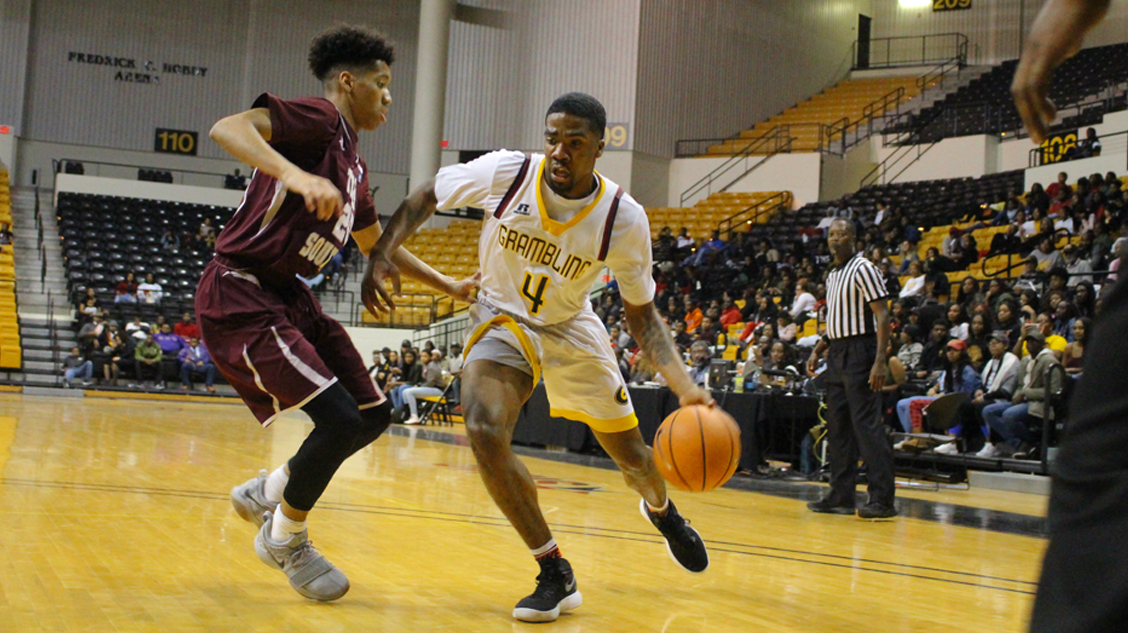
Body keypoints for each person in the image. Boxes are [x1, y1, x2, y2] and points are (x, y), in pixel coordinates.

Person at [364, 92, 714, 622]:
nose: (560, 151)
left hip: (570, 326)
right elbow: (425, 196)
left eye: (575, 143)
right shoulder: (506, 173)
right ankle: (554, 569)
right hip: (502, 317)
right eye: (553, 138)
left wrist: (683, 385)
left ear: (599, 149)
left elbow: (641, 317)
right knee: (482, 428)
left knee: (637, 461)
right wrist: (381, 254)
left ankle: (662, 512)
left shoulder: (623, 218)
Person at [200, 25, 476, 602]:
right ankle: (285, 537)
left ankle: (268, 491)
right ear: (348, 82)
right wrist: (294, 174)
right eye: (382, 84)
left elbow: (379, 243)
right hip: (243, 292)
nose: (389, 97)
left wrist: (448, 283)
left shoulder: (354, 165)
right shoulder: (320, 121)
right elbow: (228, 127)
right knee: (341, 420)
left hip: (290, 297)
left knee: (373, 413)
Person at [806, 218, 895, 520]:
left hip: (861, 351)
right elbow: (838, 322)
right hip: (838, 353)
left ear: (854, 238)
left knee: (867, 427)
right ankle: (840, 495)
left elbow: (882, 315)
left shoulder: (864, 268)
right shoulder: (832, 275)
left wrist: (880, 360)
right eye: (832, 235)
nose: (835, 239)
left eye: (842, 234)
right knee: (838, 426)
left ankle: (882, 498)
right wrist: (820, 348)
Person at [401, 348, 446, 424]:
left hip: (437, 390)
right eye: (422, 356)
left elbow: (430, 383)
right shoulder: (426, 366)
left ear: (430, 357)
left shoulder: (432, 366)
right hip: (430, 388)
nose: (423, 358)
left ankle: (414, 416)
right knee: (405, 391)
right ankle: (408, 413)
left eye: (425, 356)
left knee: (409, 392)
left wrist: (418, 386)